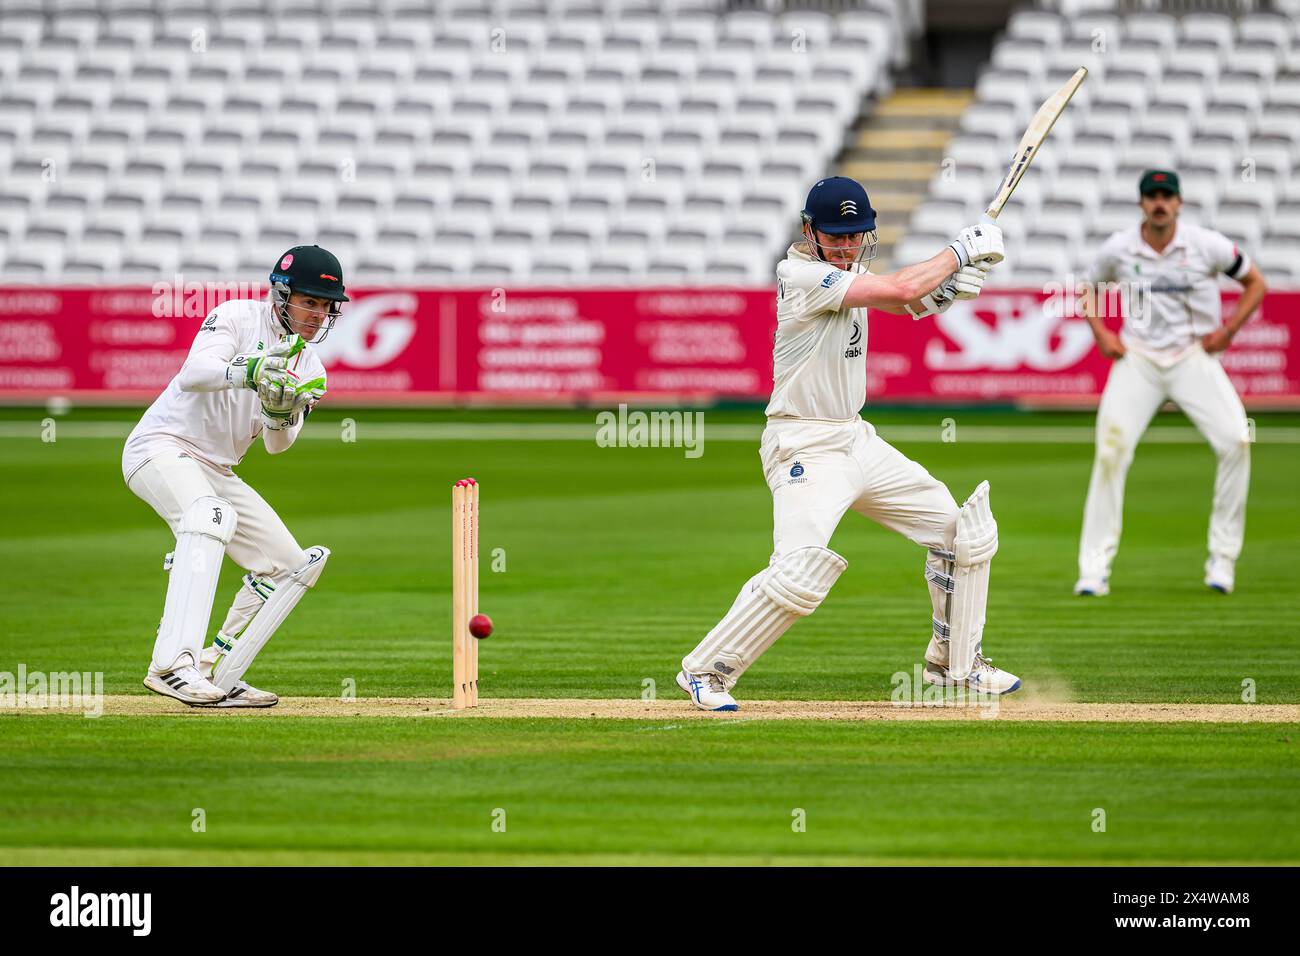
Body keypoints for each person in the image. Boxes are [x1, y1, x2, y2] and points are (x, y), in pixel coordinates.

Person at [676, 176, 1020, 711]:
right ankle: (705, 671)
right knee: (800, 570)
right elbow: (902, 290)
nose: (846, 246)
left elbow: (909, 303)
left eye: (855, 235)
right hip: (803, 444)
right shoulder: (800, 275)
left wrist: (950, 288)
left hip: (855, 437)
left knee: (962, 535)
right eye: (835, 236)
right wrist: (959, 252)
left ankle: (955, 663)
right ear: (809, 231)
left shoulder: (850, 272)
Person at [123, 245, 346, 706]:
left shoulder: (311, 368)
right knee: (209, 516)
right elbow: (194, 374)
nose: (317, 315)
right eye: (309, 301)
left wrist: (278, 414)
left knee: (288, 565)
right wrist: (253, 371)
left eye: (326, 306)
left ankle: (215, 671)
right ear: (281, 294)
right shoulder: (236, 316)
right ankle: (171, 666)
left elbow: (277, 446)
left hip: (217, 468)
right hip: (161, 446)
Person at [1075, 170, 1267, 596]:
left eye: (1166, 196)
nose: (1159, 203)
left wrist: (1228, 331)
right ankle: (1093, 569)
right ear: (1141, 203)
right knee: (1110, 452)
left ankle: (1223, 560)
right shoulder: (1120, 247)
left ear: (1179, 203)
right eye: (1152, 196)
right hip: (1138, 358)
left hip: (1192, 356)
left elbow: (1256, 282)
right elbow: (1088, 288)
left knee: (1236, 440)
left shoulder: (1206, 244)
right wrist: (1102, 333)